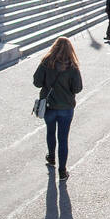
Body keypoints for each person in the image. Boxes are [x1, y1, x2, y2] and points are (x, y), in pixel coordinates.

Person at [33, 35, 81, 173]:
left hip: (48, 106)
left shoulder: (46, 62)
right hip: (66, 108)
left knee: (50, 132)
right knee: (63, 139)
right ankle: (62, 171)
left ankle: (51, 157)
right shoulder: (72, 66)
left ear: (54, 47)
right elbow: (78, 88)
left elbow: (36, 83)